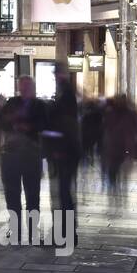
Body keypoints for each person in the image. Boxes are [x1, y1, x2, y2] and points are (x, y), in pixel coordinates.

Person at [0, 75, 48, 243]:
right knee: (12, 195)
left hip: (31, 155)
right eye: (22, 86)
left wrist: (29, 126)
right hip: (11, 155)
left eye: (27, 86)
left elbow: (45, 125)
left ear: (33, 88)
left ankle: (33, 230)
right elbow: (0, 123)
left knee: (33, 195)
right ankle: (15, 229)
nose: (24, 89)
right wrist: (8, 120)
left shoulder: (40, 105)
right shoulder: (12, 103)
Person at [42, 64, 81, 244]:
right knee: (63, 193)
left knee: (61, 194)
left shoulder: (66, 94)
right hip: (66, 151)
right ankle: (67, 232)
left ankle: (63, 234)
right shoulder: (67, 92)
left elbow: (63, 124)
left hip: (63, 152)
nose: (55, 77)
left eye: (56, 74)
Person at [100, 94, 137, 190]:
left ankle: (115, 182)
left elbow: (136, 126)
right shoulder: (113, 112)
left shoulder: (127, 113)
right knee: (114, 165)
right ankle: (113, 182)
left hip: (121, 143)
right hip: (116, 143)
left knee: (117, 164)